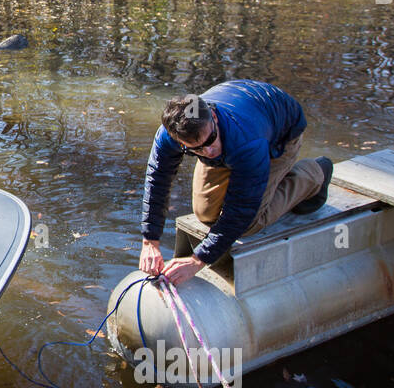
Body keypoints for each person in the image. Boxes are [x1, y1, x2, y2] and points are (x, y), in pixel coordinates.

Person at [138, 80, 333, 285]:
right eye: (196, 149)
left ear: (213, 116)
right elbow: (157, 180)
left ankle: (315, 174)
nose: (209, 152)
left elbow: (241, 210)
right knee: (205, 213)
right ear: (179, 140)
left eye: (210, 139)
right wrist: (150, 240)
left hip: (281, 135)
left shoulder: (248, 142)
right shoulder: (171, 134)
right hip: (239, 129)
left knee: (249, 224)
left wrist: (198, 261)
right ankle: (251, 173)